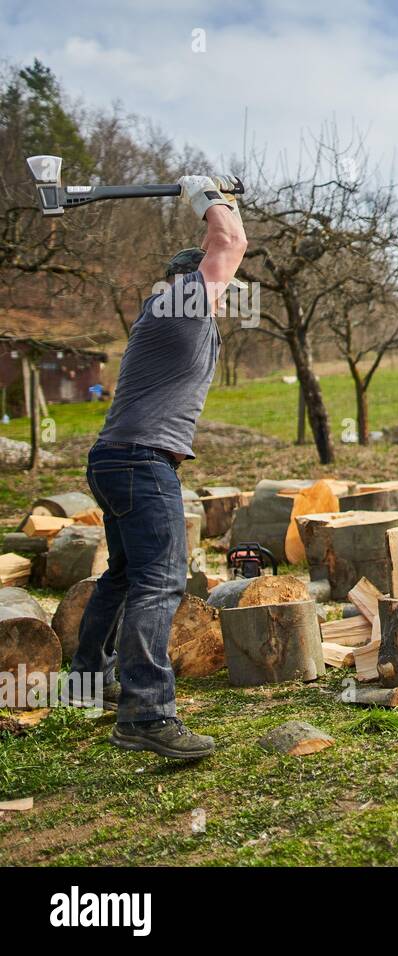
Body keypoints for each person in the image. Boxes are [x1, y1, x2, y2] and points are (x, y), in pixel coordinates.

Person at [70, 174, 246, 759]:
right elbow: (230, 243)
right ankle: (145, 714)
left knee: (123, 575)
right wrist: (208, 197)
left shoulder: (161, 316)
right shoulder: (183, 308)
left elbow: (222, 252)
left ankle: (89, 681)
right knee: (159, 581)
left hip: (116, 459)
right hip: (142, 463)